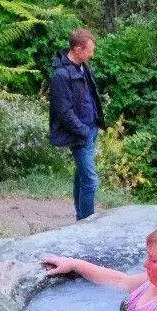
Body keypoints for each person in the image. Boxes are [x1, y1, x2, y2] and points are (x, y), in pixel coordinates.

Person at [49, 28, 106, 222]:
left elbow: (90, 97)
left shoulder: (84, 67)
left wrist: (96, 124)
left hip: (91, 129)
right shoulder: (60, 76)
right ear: (78, 48)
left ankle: (80, 219)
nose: (92, 54)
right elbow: (63, 112)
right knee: (90, 181)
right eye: (90, 50)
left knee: (82, 177)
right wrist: (83, 131)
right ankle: (87, 222)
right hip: (79, 134)